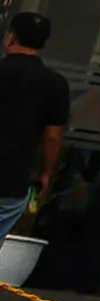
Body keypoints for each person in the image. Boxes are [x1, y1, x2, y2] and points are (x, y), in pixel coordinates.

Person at [0, 12, 70, 243]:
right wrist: (46, 172)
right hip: (11, 179)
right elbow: (52, 136)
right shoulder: (54, 83)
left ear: (10, 37)